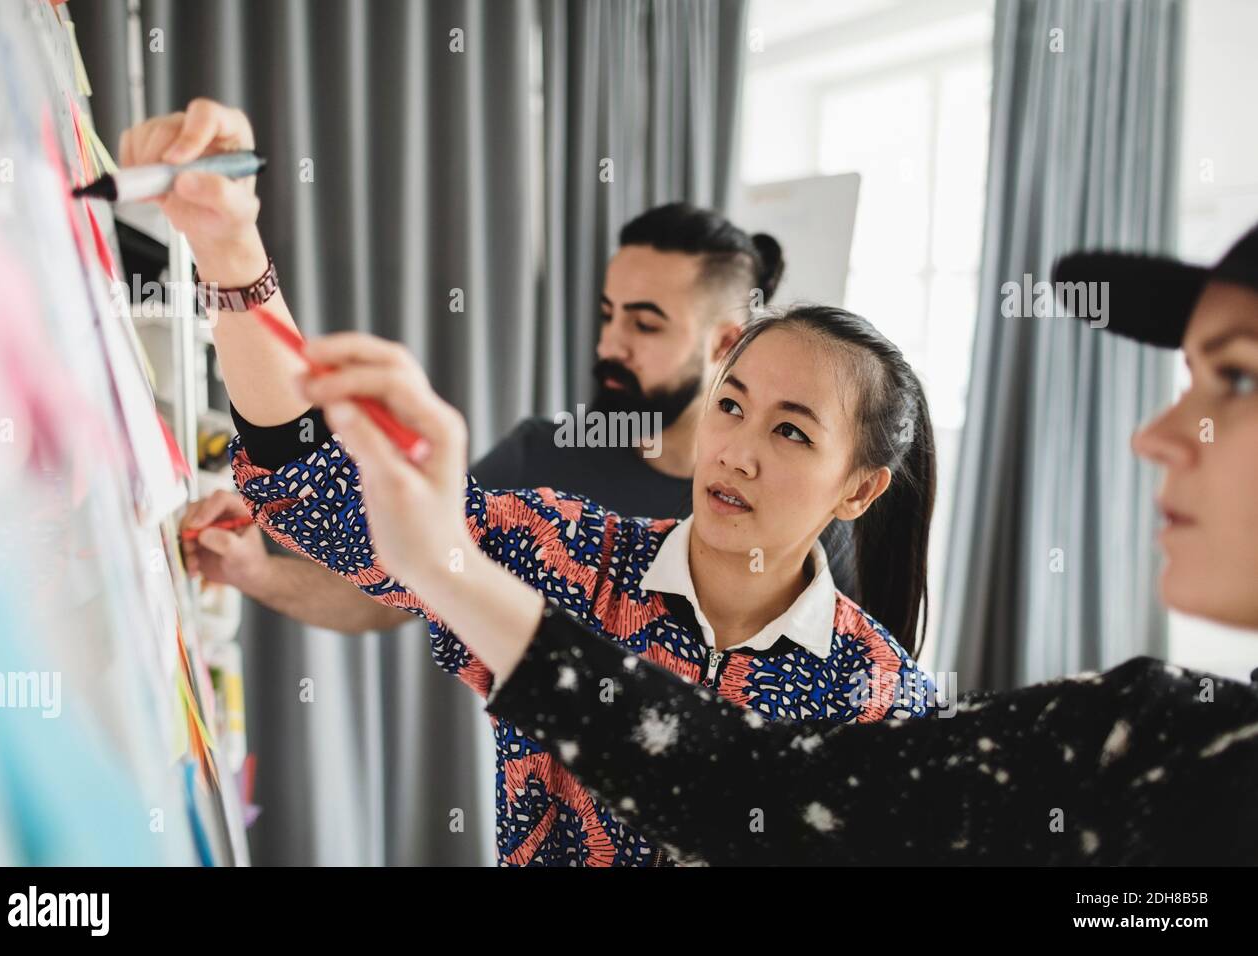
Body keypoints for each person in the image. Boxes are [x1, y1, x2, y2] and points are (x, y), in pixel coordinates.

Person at [308, 224, 1258, 865]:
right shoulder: (1153, 737)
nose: (1160, 434)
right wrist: (239, 268)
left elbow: (750, 793)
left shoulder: (887, 693)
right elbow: (741, 782)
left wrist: (444, 563)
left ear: (860, 489)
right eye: (732, 407)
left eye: (1240, 379)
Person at [156, 101, 857, 625]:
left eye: (645, 324)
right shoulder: (550, 487)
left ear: (724, 342)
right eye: (608, 314)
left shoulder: (814, 540)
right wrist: (229, 249)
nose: (610, 345)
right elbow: (399, 576)